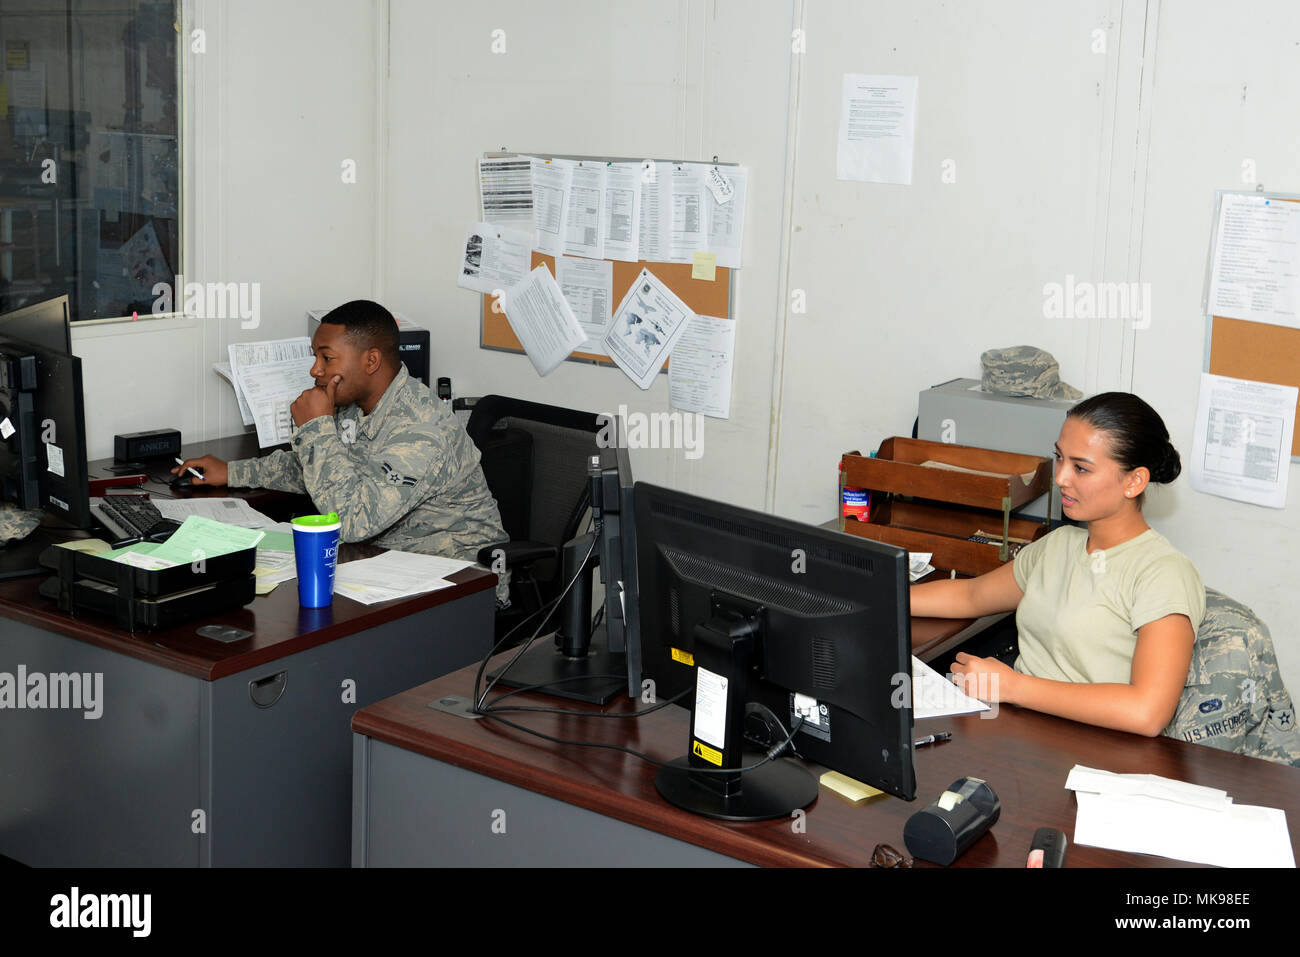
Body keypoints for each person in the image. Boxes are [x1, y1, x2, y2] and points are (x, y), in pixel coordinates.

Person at [910, 392, 1205, 737]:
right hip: (1021, 731)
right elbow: (972, 596)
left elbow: (1147, 712)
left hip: (1096, 752)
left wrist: (1013, 687)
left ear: (1134, 481)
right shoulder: (1058, 546)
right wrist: (886, 596)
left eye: (1081, 467)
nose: (1061, 477)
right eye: (1059, 458)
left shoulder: (1164, 572)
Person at [174, 300, 507, 589]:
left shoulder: (422, 430)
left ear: (371, 361)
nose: (314, 369)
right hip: (389, 567)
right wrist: (232, 471)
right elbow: (318, 468)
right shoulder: (355, 406)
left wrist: (317, 426)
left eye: (327, 358)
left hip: (458, 581)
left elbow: (354, 521)